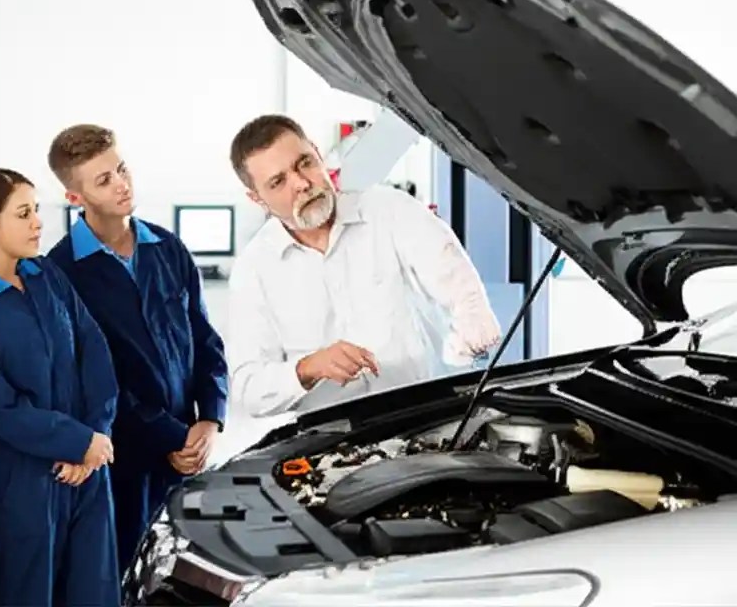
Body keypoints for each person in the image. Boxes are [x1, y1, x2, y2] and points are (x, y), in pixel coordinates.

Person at [226, 114, 503, 418]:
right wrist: (307, 368)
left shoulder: (391, 211)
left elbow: (456, 282)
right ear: (257, 199)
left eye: (304, 163)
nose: (302, 184)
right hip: (330, 443)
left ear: (318, 153)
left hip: (425, 417)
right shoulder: (253, 271)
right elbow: (248, 390)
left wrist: (471, 322)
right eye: (278, 182)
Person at [44, 124, 228, 574]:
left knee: (194, 578)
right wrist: (170, 436)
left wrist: (210, 418)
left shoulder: (169, 248)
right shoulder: (61, 273)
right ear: (75, 197)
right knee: (129, 576)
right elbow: (91, 380)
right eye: (104, 180)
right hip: (122, 462)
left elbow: (204, 339)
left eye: (121, 169)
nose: (122, 183)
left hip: (191, 452)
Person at [0, 168, 120, 607]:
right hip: (24, 489)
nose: (38, 222)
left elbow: (95, 353)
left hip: (89, 473)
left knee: (96, 593)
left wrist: (95, 437)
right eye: (23, 213)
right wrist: (76, 441)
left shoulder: (46, 275)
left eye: (36, 210)